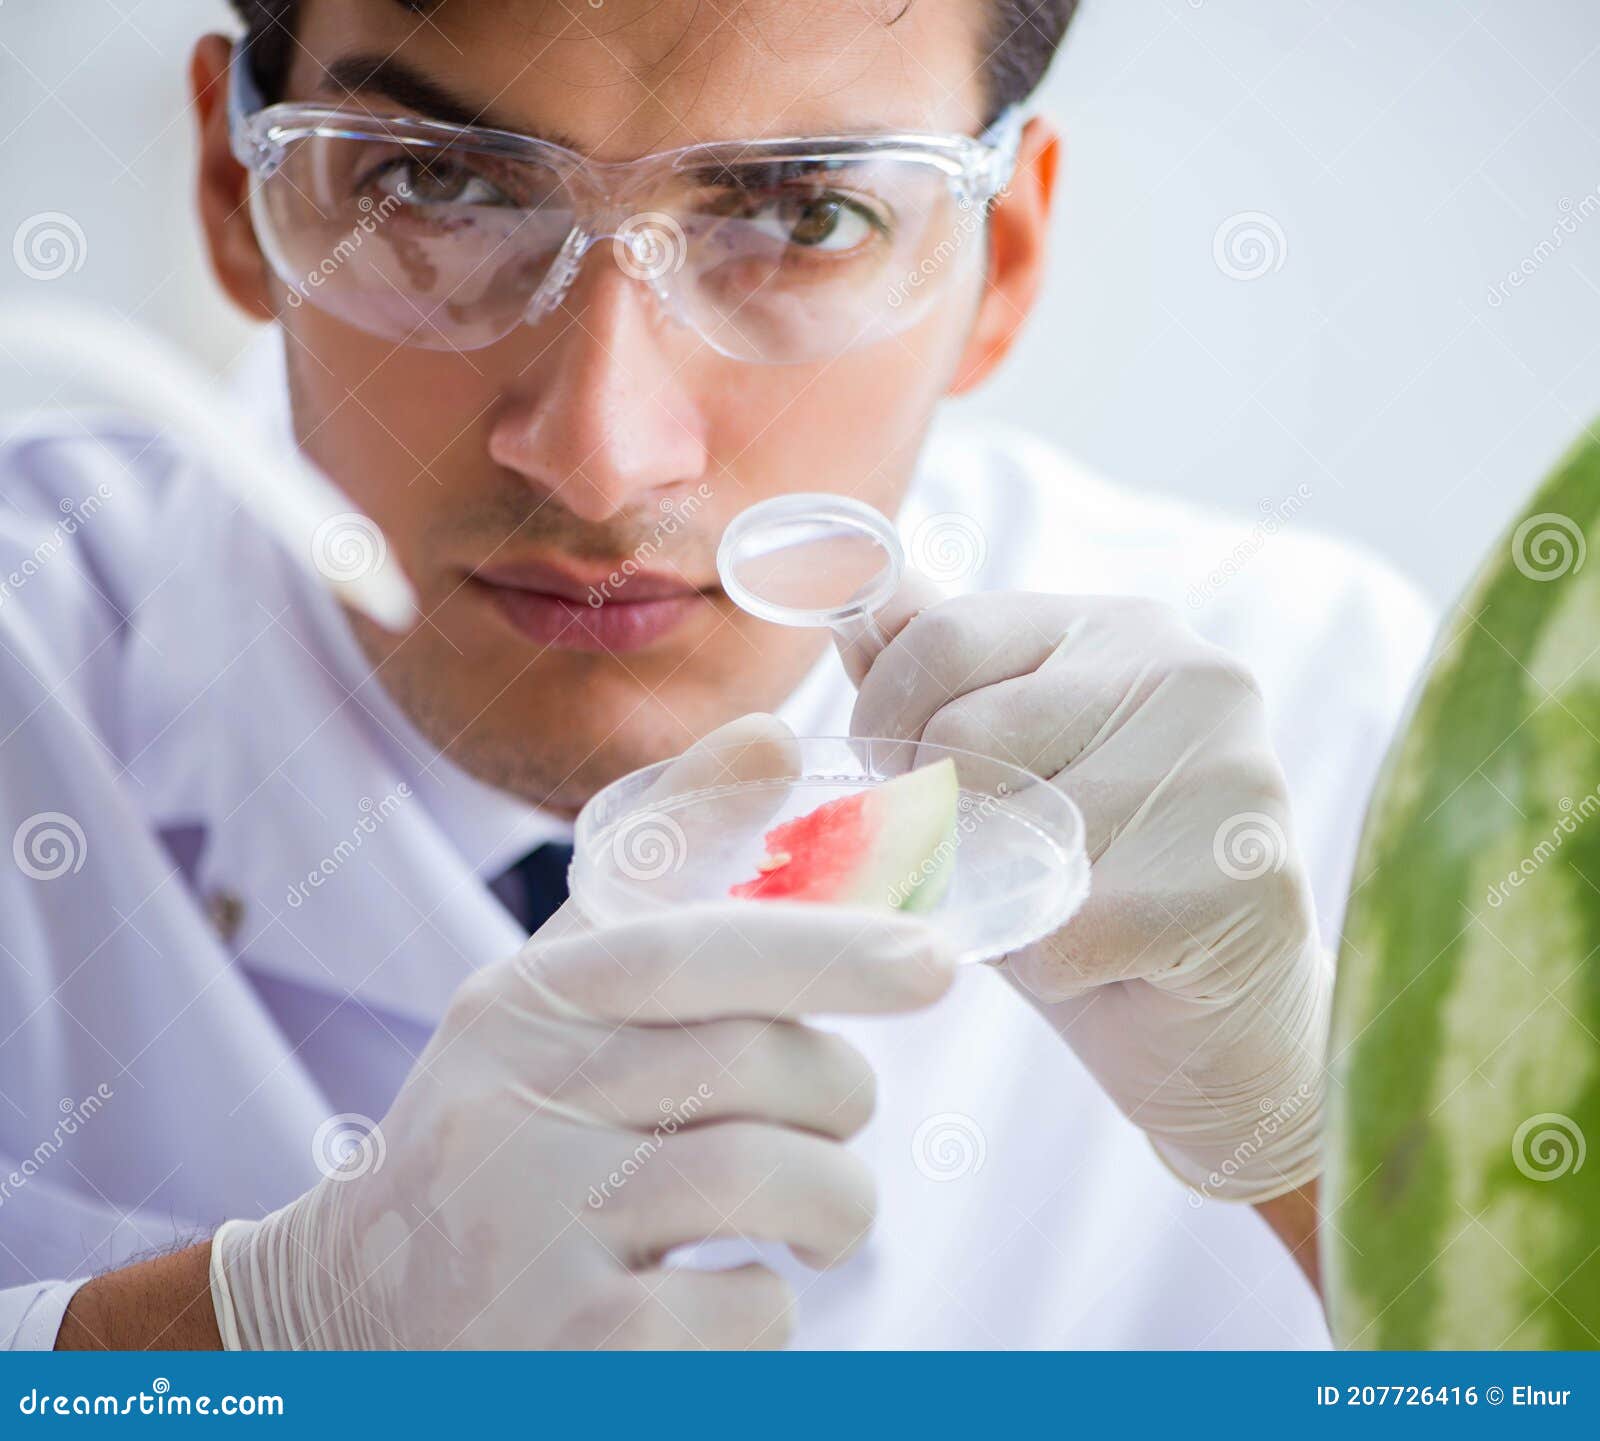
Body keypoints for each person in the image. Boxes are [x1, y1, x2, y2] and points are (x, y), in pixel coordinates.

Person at [0, 0, 1433, 1349]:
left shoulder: (1334, 717)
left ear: (1001, 260)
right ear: (228, 185)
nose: (602, 453)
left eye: (800, 216)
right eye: (437, 186)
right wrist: (262, 1330)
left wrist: (1313, 1140)